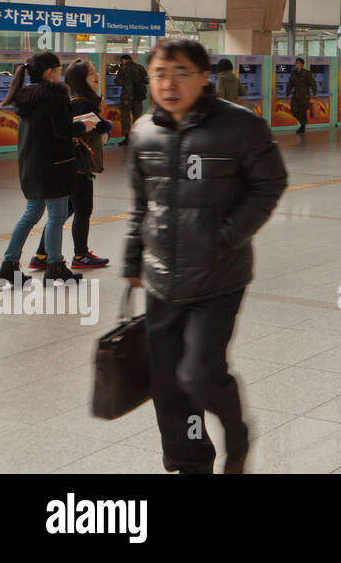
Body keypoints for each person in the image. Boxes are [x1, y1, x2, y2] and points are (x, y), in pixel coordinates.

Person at [122, 37, 288, 474]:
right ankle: (189, 461)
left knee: (199, 372)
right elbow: (142, 203)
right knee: (167, 381)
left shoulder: (239, 126)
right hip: (161, 276)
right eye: (160, 74)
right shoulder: (142, 131)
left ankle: (236, 432)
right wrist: (131, 259)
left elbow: (270, 183)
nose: (168, 84)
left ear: (203, 77)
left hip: (219, 275)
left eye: (180, 74)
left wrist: (226, 236)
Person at [0, 52, 97, 286]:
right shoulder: (54, 95)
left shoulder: (25, 97)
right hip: (55, 166)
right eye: (58, 68)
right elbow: (62, 131)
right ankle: (55, 267)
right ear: (49, 72)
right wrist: (83, 125)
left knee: (31, 213)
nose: (60, 72)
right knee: (57, 215)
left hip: (31, 165)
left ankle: (8, 266)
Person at [29, 59, 112, 271]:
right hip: (78, 164)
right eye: (91, 72)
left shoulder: (77, 100)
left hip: (74, 163)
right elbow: (98, 126)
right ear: (79, 79)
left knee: (65, 211)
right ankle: (81, 255)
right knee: (83, 209)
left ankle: (41, 254)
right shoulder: (80, 102)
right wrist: (106, 127)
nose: (96, 75)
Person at [114, 53, 148, 146]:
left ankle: (127, 138)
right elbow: (147, 80)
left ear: (123, 60)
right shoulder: (140, 67)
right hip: (138, 97)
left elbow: (118, 82)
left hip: (126, 97)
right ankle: (138, 137)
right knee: (137, 117)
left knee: (125, 118)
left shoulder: (123, 69)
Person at [285, 58, 316, 135]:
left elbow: (312, 83)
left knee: (302, 112)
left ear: (301, 64)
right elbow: (290, 84)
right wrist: (287, 93)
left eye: (297, 63)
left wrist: (315, 92)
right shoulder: (293, 73)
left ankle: (302, 126)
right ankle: (303, 123)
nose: (296, 64)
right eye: (295, 63)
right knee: (294, 110)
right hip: (296, 95)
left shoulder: (306, 73)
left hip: (304, 95)